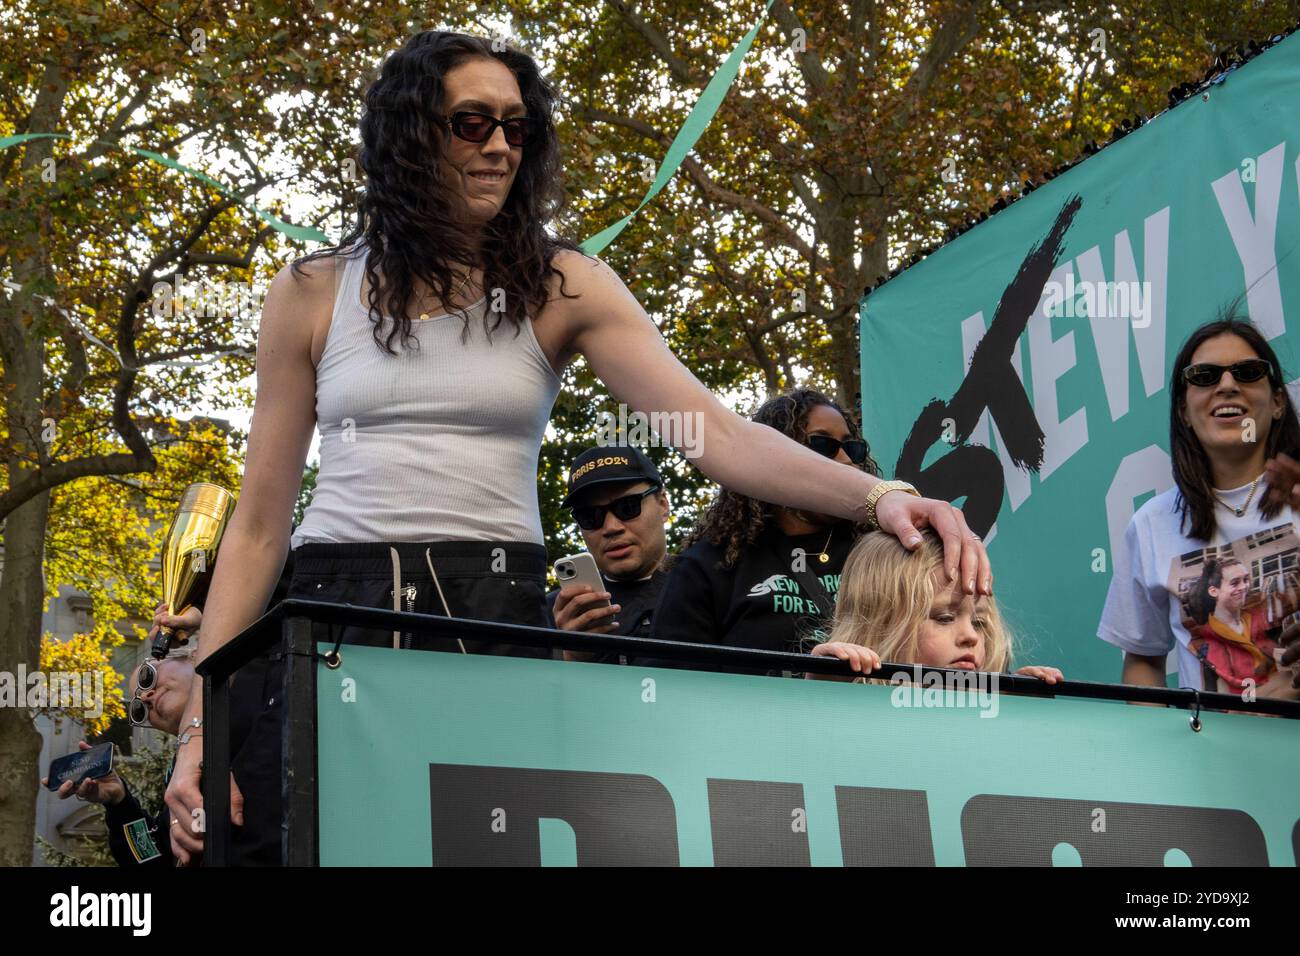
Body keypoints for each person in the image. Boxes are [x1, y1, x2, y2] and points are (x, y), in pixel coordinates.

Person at [165, 31, 989, 865]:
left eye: (516, 128)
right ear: (408, 135)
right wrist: (199, 722)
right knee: (299, 847)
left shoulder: (562, 284)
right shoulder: (312, 291)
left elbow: (718, 436)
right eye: (471, 123)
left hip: (489, 610)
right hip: (329, 608)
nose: (497, 145)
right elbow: (260, 527)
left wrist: (883, 497)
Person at [1097, 312, 1300, 700]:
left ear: (1277, 402)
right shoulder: (1151, 524)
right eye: (1204, 377)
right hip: (1207, 754)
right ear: (1183, 412)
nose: (1227, 385)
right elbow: (1144, 658)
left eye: (1248, 372)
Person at [651, 389, 877, 659]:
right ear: (770, 459)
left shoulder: (880, 550)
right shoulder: (709, 566)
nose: (846, 460)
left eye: (852, 448)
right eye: (822, 445)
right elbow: (672, 680)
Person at [42, 604, 202, 867]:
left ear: (195, 655)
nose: (146, 698)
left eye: (148, 678)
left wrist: (204, 621)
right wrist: (120, 803)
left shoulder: (257, 694)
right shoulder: (177, 774)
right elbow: (152, 860)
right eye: (138, 709)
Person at [809, 531, 1062, 683]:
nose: (971, 637)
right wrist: (824, 685)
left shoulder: (991, 708)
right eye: (944, 618)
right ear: (879, 625)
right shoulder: (849, 700)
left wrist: (1022, 711)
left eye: (979, 622)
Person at [547, 446, 671, 661]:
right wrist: (570, 657)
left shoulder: (710, 590)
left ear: (662, 505)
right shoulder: (553, 612)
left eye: (628, 507)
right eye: (590, 516)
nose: (611, 527)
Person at [1187, 558, 1281, 695]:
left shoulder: (1262, 619)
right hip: (1236, 711)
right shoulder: (1204, 642)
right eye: (1235, 583)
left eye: (1246, 580)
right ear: (1214, 591)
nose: (1244, 587)